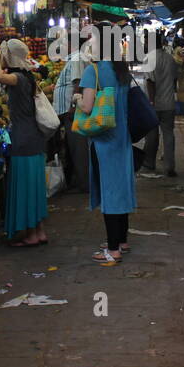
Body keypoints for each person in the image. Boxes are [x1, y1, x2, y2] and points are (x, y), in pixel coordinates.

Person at [78, 47, 136, 264]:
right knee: (120, 189)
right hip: (123, 138)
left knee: (110, 193)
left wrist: (77, 98)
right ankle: (121, 240)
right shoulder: (121, 69)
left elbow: (87, 106)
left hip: (104, 141)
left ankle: (113, 250)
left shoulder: (93, 71)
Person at [0, 39, 49, 247]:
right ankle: (39, 231)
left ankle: (31, 235)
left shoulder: (17, 77)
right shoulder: (27, 76)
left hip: (23, 138)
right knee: (34, 186)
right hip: (33, 137)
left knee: (25, 186)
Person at [53, 39, 93, 193]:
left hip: (73, 111)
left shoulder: (77, 57)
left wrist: (73, 107)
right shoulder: (75, 57)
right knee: (73, 147)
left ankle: (84, 184)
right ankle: (78, 181)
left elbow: (79, 83)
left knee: (78, 147)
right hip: (70, 110)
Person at [140, 32, 179, 178]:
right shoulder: (170, 58)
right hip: (169, 102)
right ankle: (170, 166)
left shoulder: (149, 58)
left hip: (154, 103)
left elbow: (150, 82)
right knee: (168, 134)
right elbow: (174, 81)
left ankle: (149, 163)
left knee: (152, 134)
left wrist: (151, 102)